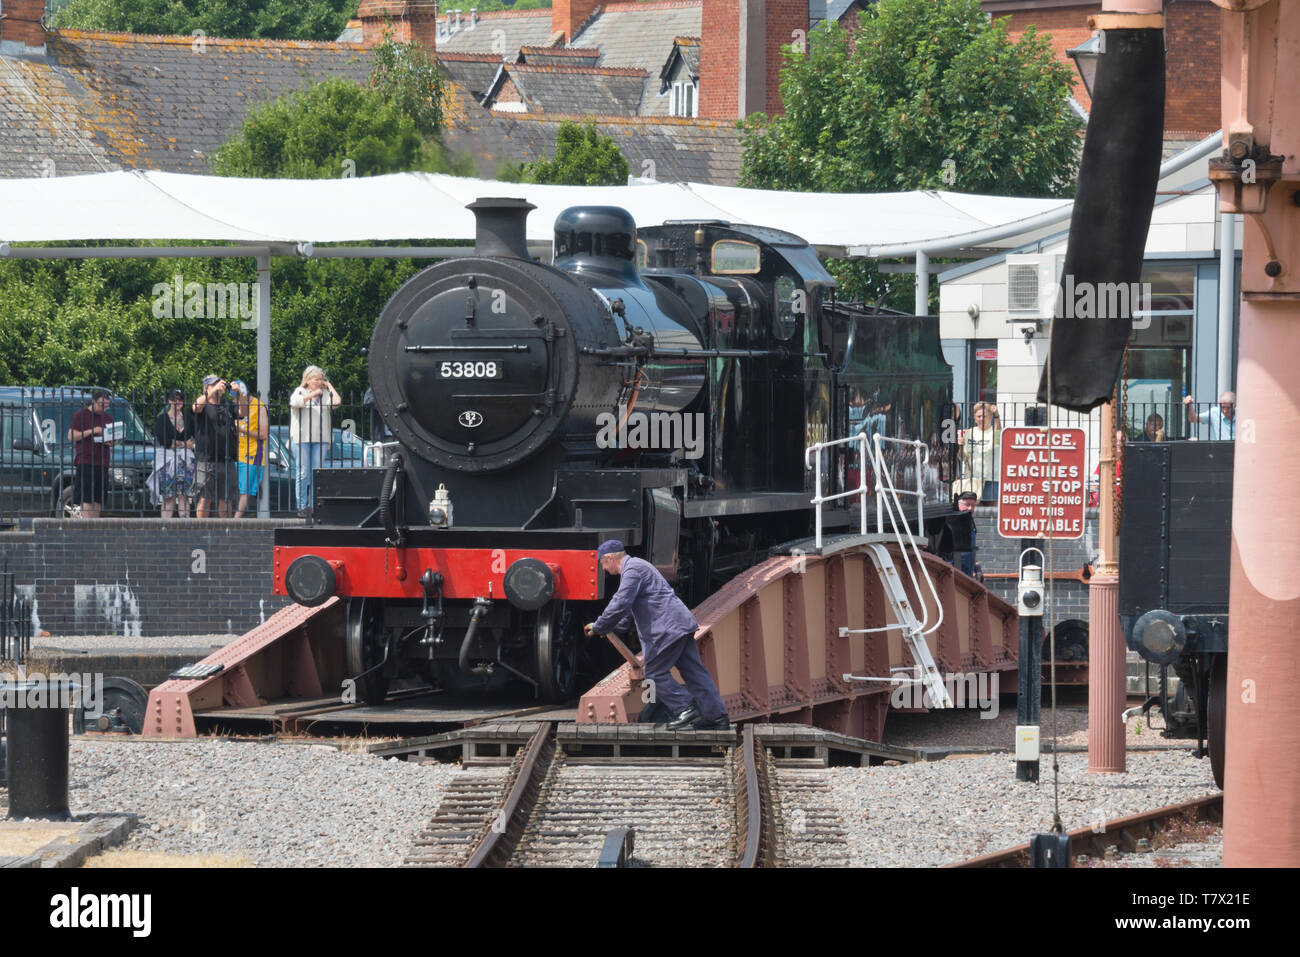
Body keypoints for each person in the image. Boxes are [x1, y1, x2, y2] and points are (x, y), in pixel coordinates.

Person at [584, 540, 729, 731]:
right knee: (695, 673)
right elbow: (628, 612)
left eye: (602, 563)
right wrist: (612, 628)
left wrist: (600, 625)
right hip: (679, 625)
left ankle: (687, 709)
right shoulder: (639, 567)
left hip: (667, 629)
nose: (603, 568)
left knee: (653, 674)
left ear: (610, 558)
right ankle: (717, 717)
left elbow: (621, 602)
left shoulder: (633, 569)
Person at [289, 365, 341, 517]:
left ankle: (314, 506)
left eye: (321, 379)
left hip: (321, 438)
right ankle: (301, 507)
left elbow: (337, 401)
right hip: (301, 438)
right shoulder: (300, 391)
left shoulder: (325, 394)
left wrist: (329, 385)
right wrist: (311, 395)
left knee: (317, 472)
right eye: (316, 379)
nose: (319, 382)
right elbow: (294, 402)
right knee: (303, 472)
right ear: (308, 380)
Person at [192, 375, 239, 518]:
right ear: (207, 387)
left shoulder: (228, 405)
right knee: (205, 498)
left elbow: (242, 412)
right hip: (207, 459)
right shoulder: (204, 405)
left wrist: (240, 394)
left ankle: (226, 532)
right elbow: (195, 407)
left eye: (220, 384)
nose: (219, 387)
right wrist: (212, 391)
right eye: (215, 384)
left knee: (226, 499)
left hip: (227, 459)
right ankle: (201, 531)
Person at [68, 389, 115, 518]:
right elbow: (71, 436)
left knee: (98, 497)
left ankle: (95, 524)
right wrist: (91, 431)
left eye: (107, 406)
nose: (104, 408)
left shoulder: (108, 418)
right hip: (86, 460)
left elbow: (113, 441)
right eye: (101, 405)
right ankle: (86, 524)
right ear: (93, 402)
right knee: (86, 496)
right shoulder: (80, 415)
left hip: (103, 461)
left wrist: (109, 441)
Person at [152, 388, 196, 518]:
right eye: (175, 399)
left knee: (184, 495)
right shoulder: (162, 419)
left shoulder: (188, 418)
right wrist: (183, 443)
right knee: (168, 495)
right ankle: (165, 527)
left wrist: (190, 442)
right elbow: (164, 441)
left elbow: (195, 435)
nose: (178, 402)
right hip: (167, 460)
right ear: (169, 401)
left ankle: (185, 524)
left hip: (185, 461)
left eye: (180, 399)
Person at [230, 380, 268, 519]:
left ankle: (236, 520)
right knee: (231, 489)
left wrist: (243, 430)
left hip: (252, 454)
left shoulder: (259, 406)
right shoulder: (236, 407)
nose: (235, 400)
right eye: (233, 397)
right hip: (235, 453)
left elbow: (264, 434)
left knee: (245, 490)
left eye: (237, 396)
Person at [958, 401, 1000, 502]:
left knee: (991, 510)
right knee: (971, 508)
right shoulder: (969, 433)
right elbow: (963, 458)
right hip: (972, 479)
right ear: (974, 417)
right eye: (979, 416)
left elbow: (998, 429)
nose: (981, 419)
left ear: (990, 417)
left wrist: (996, 414)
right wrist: (960, 446)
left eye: (984, 416)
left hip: (991, 479)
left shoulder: (994, 432)